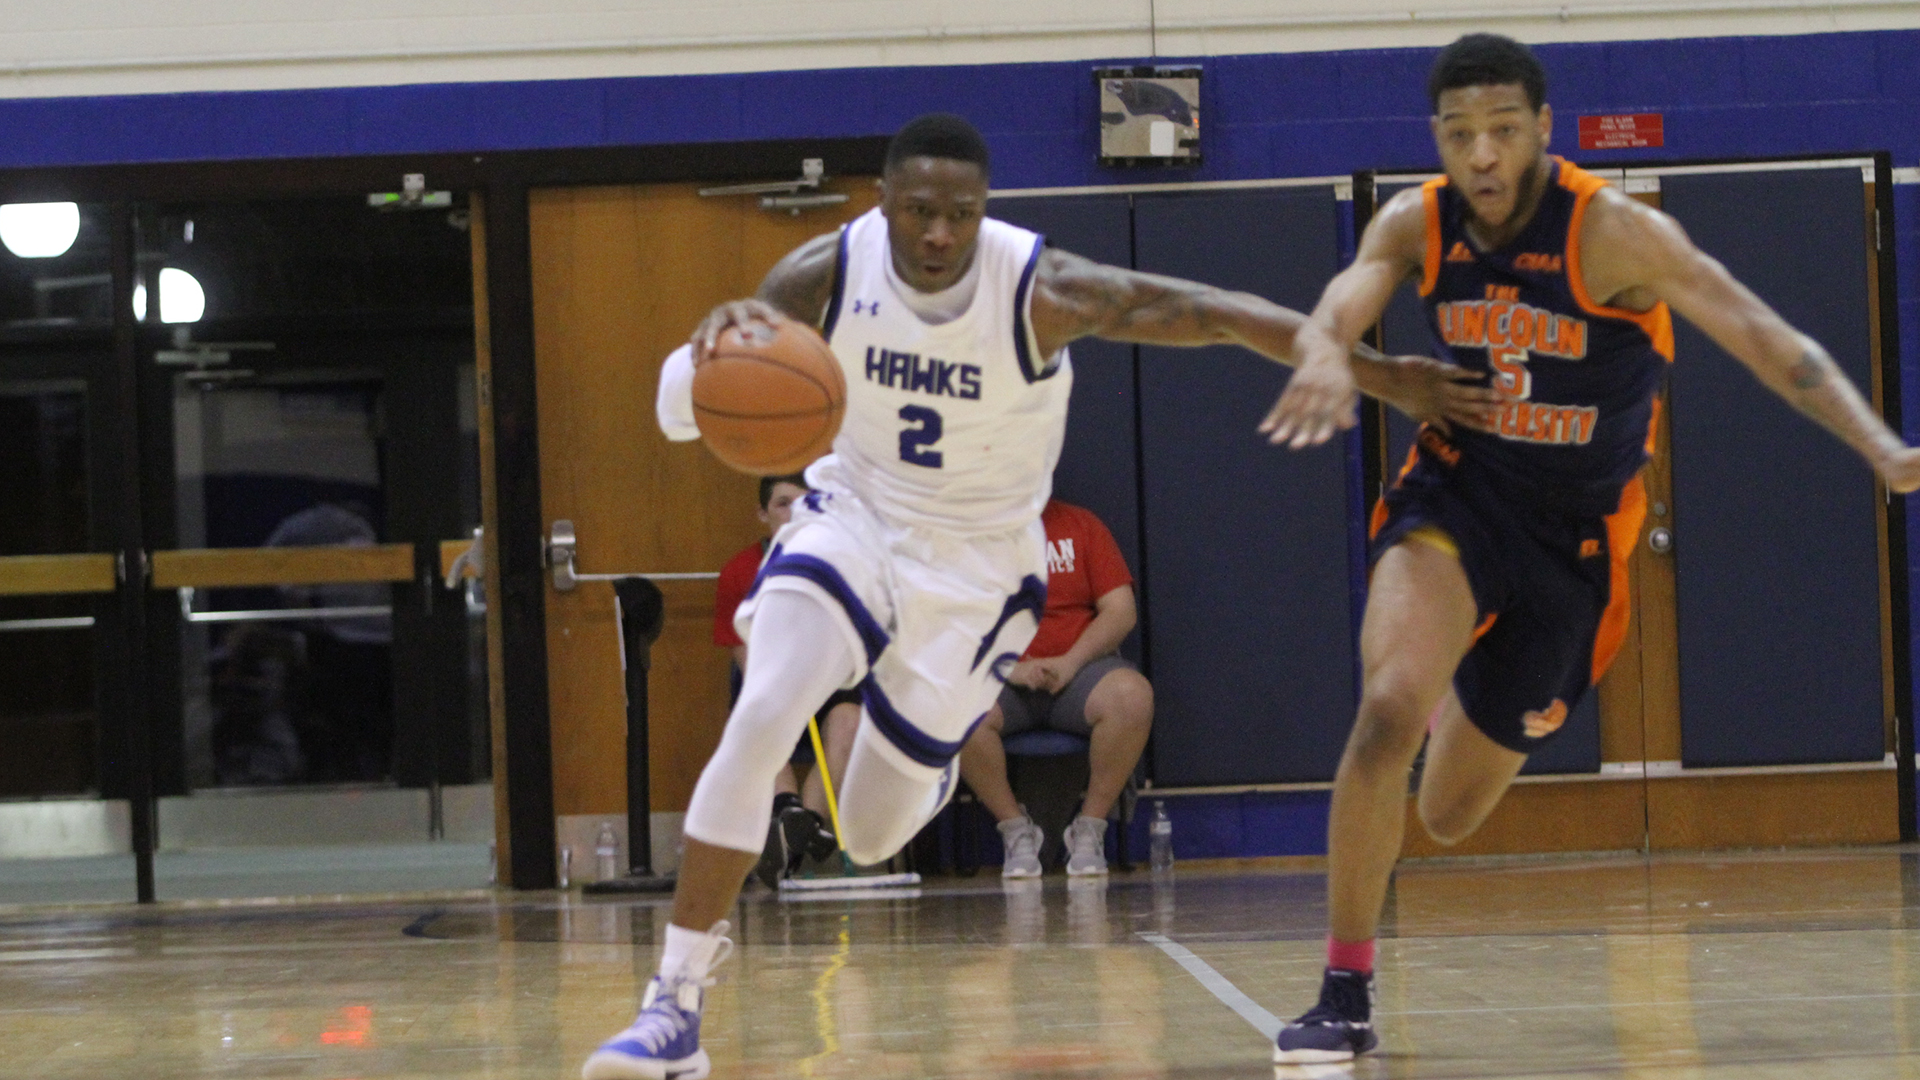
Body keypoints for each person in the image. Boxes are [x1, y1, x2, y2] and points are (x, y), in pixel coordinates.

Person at [584, 112, 1491, 1080]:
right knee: (763, 712)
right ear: (885, 206)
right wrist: (705, 354)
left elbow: (1214, 308)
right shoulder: (822, 273)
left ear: (984, 214)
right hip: (851, 522)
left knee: (872, 826)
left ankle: (923, 762)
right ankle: (671, 1009)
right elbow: (684, 401)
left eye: (961, 216)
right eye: (920, 213)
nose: (940, 235)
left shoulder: (1040, 290)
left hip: (971, 577)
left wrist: (1371, 371)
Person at [1267, 33, 1920, 1065]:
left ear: (1543, 132)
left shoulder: (1613, 233)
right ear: (1436, 138)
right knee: (1386, 711)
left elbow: (1766, 341)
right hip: (1457, 492)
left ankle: (1460, 680)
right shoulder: (1418, 218)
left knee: (1446, 814)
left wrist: (1879, 445)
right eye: (1458, 134)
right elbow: (1353, 291)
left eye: (1502, 131)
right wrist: (1320, 351)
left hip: (1574, 543)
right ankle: (1343, 990)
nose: (1480, 155)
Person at [958, 497, 1149, 877]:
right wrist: (1008, 668)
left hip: (1079, 673)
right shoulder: (971, 534)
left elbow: (1121, 610)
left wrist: (1070, 662)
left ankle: (1089, 831)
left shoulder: (1082, 525)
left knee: (1133, 696)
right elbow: (951, 620)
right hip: (1003, 677)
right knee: (955, 710)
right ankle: (1016, 832)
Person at [710, 472, 861, 886]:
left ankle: (796, 837)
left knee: (850, 720)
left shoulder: (842, 566)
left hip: (832, 682)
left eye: (807, 503)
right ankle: (791, 813)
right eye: (783, 503)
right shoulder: (740, 572)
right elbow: (748, 661)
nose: (796, 512)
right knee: (765, 713)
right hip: (770, 679)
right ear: (762, 514)